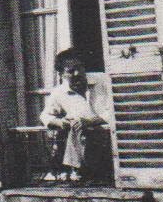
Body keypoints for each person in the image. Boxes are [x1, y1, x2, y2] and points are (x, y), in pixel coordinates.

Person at [40, 48, 112, 185]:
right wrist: (60, 122)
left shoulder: (103, 80)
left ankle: (74, 171)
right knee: (75, 124)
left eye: (79, 67)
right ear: (61, 74)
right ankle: (77, 172)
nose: (77, 73)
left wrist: (93, 121)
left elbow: (118, 109)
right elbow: (45, 115)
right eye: (71, 71)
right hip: (87, 144)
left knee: (82, 126)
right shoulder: (59, 92)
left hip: (113, 139)